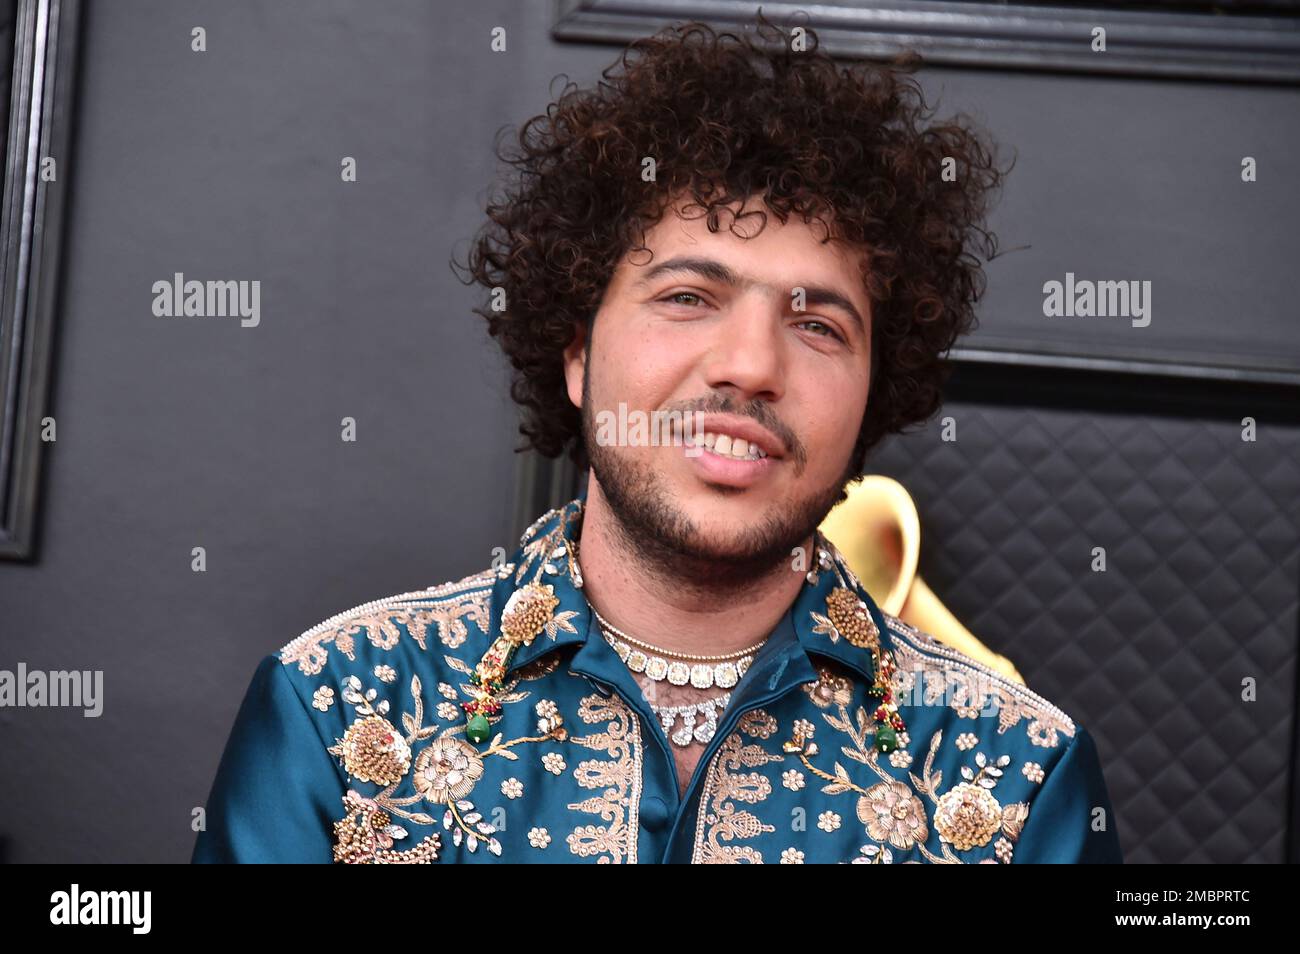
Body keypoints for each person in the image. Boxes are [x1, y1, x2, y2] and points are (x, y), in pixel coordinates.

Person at [193, 15, 1121, 864]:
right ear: (576, 356)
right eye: (687, 297)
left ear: (873, 397)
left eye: (819, 325)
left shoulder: (1023, 780)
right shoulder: (334, 710)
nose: (752, 365)